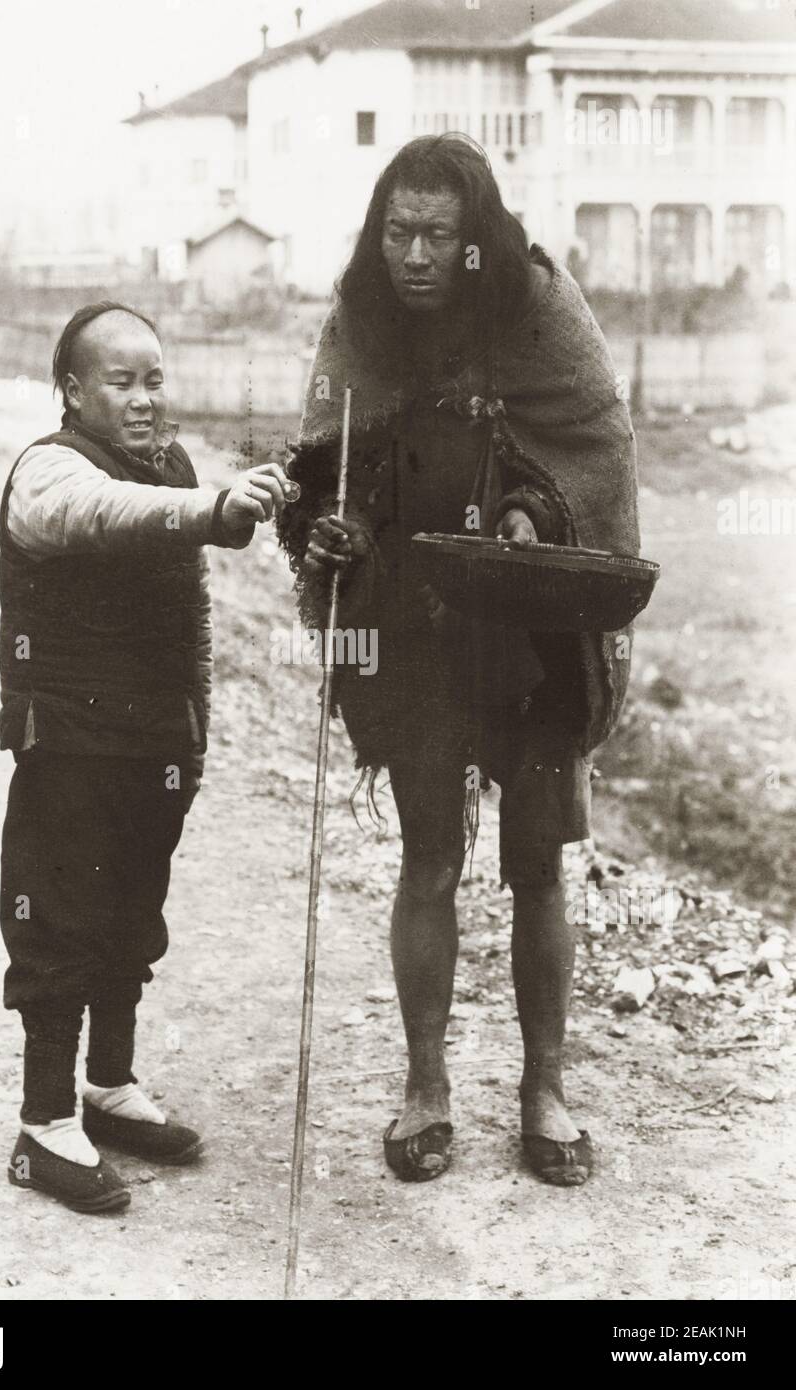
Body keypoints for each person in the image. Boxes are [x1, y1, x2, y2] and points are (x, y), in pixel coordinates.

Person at [278, 136, 640, 1186]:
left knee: (535, 865)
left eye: (439, 234)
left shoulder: (535, 307)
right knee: (428, 855)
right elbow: (322, 464)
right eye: (398, 231)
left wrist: (529, 515)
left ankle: (543, 1089)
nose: (416, 255)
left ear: (475, 238)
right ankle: (424, 1087)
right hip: (416, 633)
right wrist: (336, 525)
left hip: (529, 638)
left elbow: (594, 442)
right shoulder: (360, 316)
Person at [0, 301, 288, 1212]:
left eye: (154, 380)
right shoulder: (49, 470)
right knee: (60, 920)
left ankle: (107, 1086)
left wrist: (194, 721)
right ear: (73, 389)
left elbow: (190, 603)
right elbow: (102, 514)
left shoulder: (171, 465)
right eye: (119, 382)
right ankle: (43, 1126)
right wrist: (208, 508)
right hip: (71, 740)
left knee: (131, 910)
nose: (141, 399)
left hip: (156, 740)